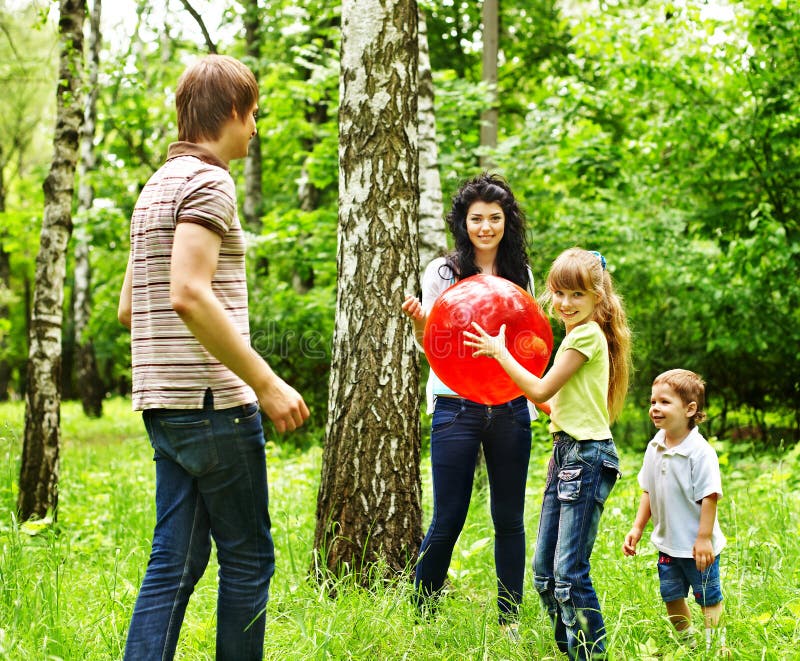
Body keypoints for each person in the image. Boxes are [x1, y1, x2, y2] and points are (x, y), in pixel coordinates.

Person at [117, 54, 309, 661]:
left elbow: (131, 307)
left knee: (175, 559)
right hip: (213, 403)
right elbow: (187, 294)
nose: (255, 127)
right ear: (230, 112)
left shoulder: (155, 188)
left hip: (163, 403)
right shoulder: (210, 182)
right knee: (249, 559)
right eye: (253, 114)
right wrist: (266, 382)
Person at [464, 247, 632, 660]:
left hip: (587, 458)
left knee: (569, 576)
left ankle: (591, 656)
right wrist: (504, 377)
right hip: (565, 454)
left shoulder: (588, 335)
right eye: (559, 293)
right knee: (544, 573)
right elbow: (554, 404)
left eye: (577, 294)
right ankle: (568, 650)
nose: (565, 303)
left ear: (598, 297)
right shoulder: (577, 336)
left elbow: (540, 388)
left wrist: (501, 354)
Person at [401, 172, 535, 636]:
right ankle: (421, 616)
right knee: (449, 515)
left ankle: (509, 621)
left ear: (506, 222)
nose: (485, 227)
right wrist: (421, 324)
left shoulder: (522, 275)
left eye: (494, 218)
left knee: (509, 518)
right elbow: (434, 346)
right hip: (455, 405)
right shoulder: (442, 272)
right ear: (463, 221)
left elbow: (530, 346)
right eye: (476, 218)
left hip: (512, 407)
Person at [622, 369, 726, 652]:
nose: (655, 407)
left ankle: (714, 648)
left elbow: (710, 496)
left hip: (697, 548)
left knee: (708, 597)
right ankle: (688, 643)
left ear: (690, 409)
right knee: (671, 596)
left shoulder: (700, 452)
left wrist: (704, 538)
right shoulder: (654, 446)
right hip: (668, 545)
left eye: (664, 402)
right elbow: (648, 489)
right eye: (652, 401)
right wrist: (637, 527)